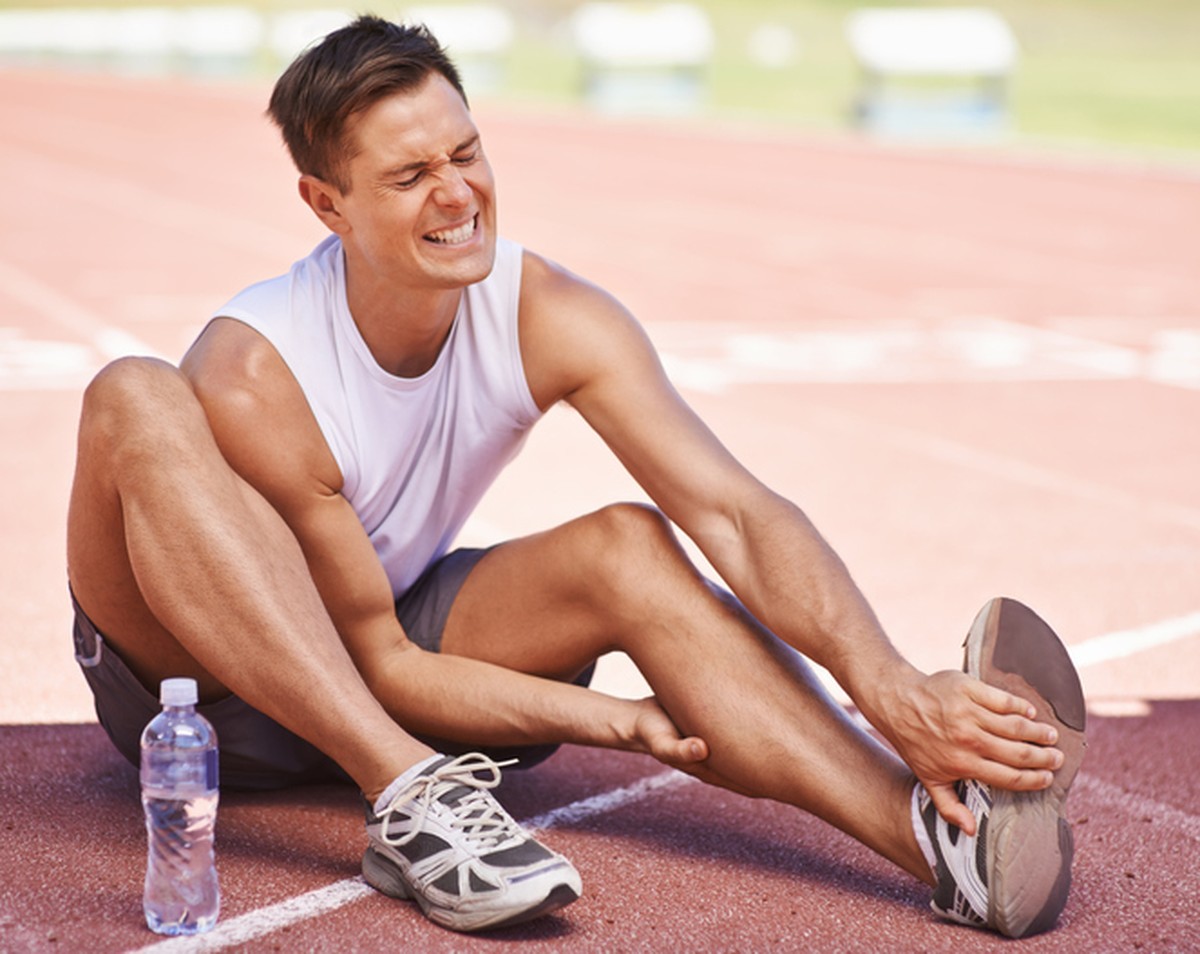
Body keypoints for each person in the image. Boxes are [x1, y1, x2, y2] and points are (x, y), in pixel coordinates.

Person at [66, 15, 1085, 937]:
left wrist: (892, 684)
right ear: (325, 205)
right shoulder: (260, 373)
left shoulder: (546, 313)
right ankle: (409, 793)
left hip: (382, 631)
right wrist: (606, 720)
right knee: (133, 391)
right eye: (410, 175)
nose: (458, 193)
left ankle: (940, 848)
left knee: (631, 545)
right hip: (202, 689)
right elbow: (373, 663)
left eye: (466, 153)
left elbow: (731, 511)